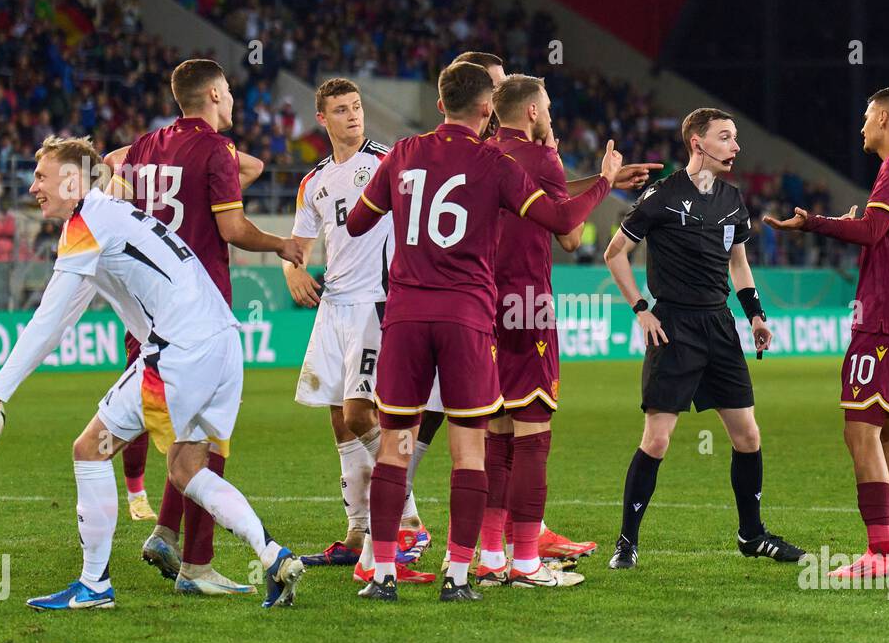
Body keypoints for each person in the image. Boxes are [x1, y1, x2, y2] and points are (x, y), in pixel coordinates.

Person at [0, 135, 307, 610]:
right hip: (221, 343)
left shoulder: (89, 223)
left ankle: (94, 587)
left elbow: (49, 321)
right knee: (186, 468)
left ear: (74, 179)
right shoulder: (110, 216)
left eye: (42, 176)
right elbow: (74, 310)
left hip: (180, 349)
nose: (33, 186)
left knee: (89, 450)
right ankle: (273, 554)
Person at [344, 60, 622, 600]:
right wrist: (607, 179)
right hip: (466, 318)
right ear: (486, 107)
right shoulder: (492, 162)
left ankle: (379, 575)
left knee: (394, 450)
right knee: (470, 451)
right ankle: (457, 576)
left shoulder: (402, 153)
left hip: (404, 316)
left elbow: (357, 223)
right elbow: (565, 224)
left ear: (441, 102)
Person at [105, 58, 301, 596]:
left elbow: (109, 170)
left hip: (147, 310)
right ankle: (193, 564)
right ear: (215, 93)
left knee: (178, 433)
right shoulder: (214, 150)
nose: (234, 97)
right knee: (207, 437)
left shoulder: (145, 147)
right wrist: (283, 245)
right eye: (230, 90)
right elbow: (232, 228)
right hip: (199, 310)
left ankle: (167, 536)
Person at [477, 73, 660, 587]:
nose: (553, 116)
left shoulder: (483, 155)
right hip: (529, 306)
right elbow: (572, 237)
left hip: (482, 304)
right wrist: (603, 179)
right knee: (534, 435)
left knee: (497, 435)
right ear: (532, 112)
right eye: (549, 109)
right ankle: (529, 561)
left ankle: (491, 558)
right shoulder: (542, 157)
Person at [602, 107, 805, 570]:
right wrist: (641, 311)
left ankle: (751, 535)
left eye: (735, 138)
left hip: (719, 325)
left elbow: (738, 263)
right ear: (698, 143)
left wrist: (755, 316)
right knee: (656, 440)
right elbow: (616, 254)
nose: (735, 147)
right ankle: (627, 542)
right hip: (673, 327)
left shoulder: (734, 199)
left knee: (748, 435)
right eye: (726, 137)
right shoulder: (662, 195)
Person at [765, 85, 889, 577]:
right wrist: (858, 223)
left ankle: (880, 554)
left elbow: (873, 233)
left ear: (883, 117)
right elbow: (884, 232)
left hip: (881, 318)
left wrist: (813, 224)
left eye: (866, 117)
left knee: (860, 431)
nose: (862, 126)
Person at [282, 77, 435, 586]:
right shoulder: (315, 181)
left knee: (361, 413)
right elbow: (298, 245)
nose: (353, 116)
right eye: (341, 110)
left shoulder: (388, 162)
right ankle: (355, 534)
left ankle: (410, 521)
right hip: (333, 308)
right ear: (322, 119)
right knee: (338, 422)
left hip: (376, 302)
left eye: (357, 107)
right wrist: (294, 271)